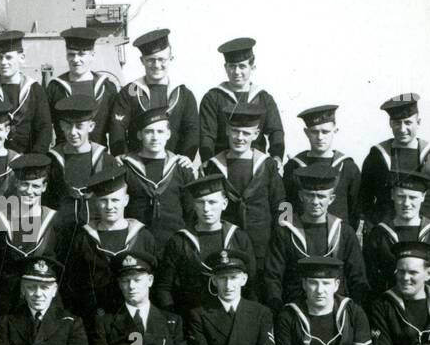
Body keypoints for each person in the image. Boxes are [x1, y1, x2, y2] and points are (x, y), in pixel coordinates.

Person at [202, 103, 284, 306]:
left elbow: (281, 203)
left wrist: (282, 237)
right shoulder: (215, 165)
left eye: (246, 133)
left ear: (256, 134)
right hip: (228, 243)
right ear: (227, 131)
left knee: (259, 294)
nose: (240, 138)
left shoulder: (267, 164)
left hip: (262, 245)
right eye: (235, 132)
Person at [264, 163, 369, 313]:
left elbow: (358, 278)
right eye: (309, 195)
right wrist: (280, 312)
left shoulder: (344, 232)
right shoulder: (285, 232)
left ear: (331, 198)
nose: (315, 202)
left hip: (336, 311)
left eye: (321, 196)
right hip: (294, 310)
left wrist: (354, 315)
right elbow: (273, 277)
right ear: (301, 196)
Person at [62, 165, 157, 328]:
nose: (110, 206)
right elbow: (72, 283)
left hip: (133, 319)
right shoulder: (83, 238)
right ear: (96, 203)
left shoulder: (142, 236)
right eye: (103, 201)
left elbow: (154, 280)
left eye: (115, 200)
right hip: (92, 318)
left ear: (126, 201)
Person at [152, 173, 255, 314]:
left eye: (212, 202)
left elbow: (251, 284)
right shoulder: (180, 241)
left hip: (232, 315)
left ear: (224, 204)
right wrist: (173, 320)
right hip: (191, 315)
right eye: (201, 202)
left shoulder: (239, 237)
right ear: (194, 205)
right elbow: (164, 287)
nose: (206, 209)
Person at [363, 169, 430, 298]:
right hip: (389, 312)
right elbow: (366, 279)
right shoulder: (379, 234)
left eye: (412, 197)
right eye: (401, 196)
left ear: (423, 196)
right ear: (392, 195)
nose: (406, 203)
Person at [0, 154, 63, 322]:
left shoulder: (56, 221)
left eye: (35, 186)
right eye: (24, 184)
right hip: (6, 303)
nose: (29, 191)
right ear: (16, 183)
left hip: (44, 301)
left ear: (44, 187)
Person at [359, 93, 430, 228]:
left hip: (421, 236)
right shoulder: (377, 157)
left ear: (418, 122)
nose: (402, 129)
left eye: (408, 122)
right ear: (390, 123)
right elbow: (363, 198)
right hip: (385, 236)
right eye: (397, 123)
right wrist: (377, 224)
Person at [109, 29, 199, 160]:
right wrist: (122, 157)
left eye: (161, 59)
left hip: (173, 167)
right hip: (136, 166)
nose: (156, 65)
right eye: (150, 60)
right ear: (142, 60)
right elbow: (117, 129)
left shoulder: (184, 94)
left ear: (170, 59)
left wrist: (185, 159)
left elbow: (192, 131)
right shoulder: (129, 92)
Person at [118, 104, 198, 246]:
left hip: (174, 242)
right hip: (136, 241)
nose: (155, 137)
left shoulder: (181, 167)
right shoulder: (126, 167)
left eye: (160, 132)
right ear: (139, 135)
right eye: (149, 132)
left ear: (168, 134)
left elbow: (191, 211)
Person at [198, 37, 284, 163]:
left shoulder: (264, 98)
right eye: (232, 66)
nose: (236, 72)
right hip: (222, 162)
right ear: (225, 67)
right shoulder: (213, 98)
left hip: (256, 163)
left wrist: (277, 156)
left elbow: (276, 131)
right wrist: (208, 161)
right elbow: (207, 135)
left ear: (252, 67)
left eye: (242, 66)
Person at [45, 95, 117, 237]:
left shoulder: (106, 161)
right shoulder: (52, 160)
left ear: (91, 126)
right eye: (67, 125)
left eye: (79, 126)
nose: (73, 132)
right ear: (61, 125)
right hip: (61, 234)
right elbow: (47, 202)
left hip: (96, 235)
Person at [282, 105, 361, 231]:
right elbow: (286, 202)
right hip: (301, 233)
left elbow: (355, 209)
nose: (320, 137)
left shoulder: (348, 167)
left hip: (337, 235)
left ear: (335, 130)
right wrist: (286, 230)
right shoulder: (294, 165)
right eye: (314, 131)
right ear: (306, 132)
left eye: (325, 131)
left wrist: (347, 232)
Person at [0, 30, 52, 155]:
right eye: (0, 57)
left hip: (27, 158)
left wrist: (36, 158)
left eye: (9, 57)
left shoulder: (34, 90)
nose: (4, 62)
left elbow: (44, 128)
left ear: (21, 58)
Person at [46, 27, 120, 149]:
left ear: (92, 55)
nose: (76, 60)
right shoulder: (55, 87)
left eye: (82, 54)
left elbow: (114, 127)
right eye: (71, 54)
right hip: (64, 155)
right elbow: (47, 124)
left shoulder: (107, 87)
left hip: (98, 155)